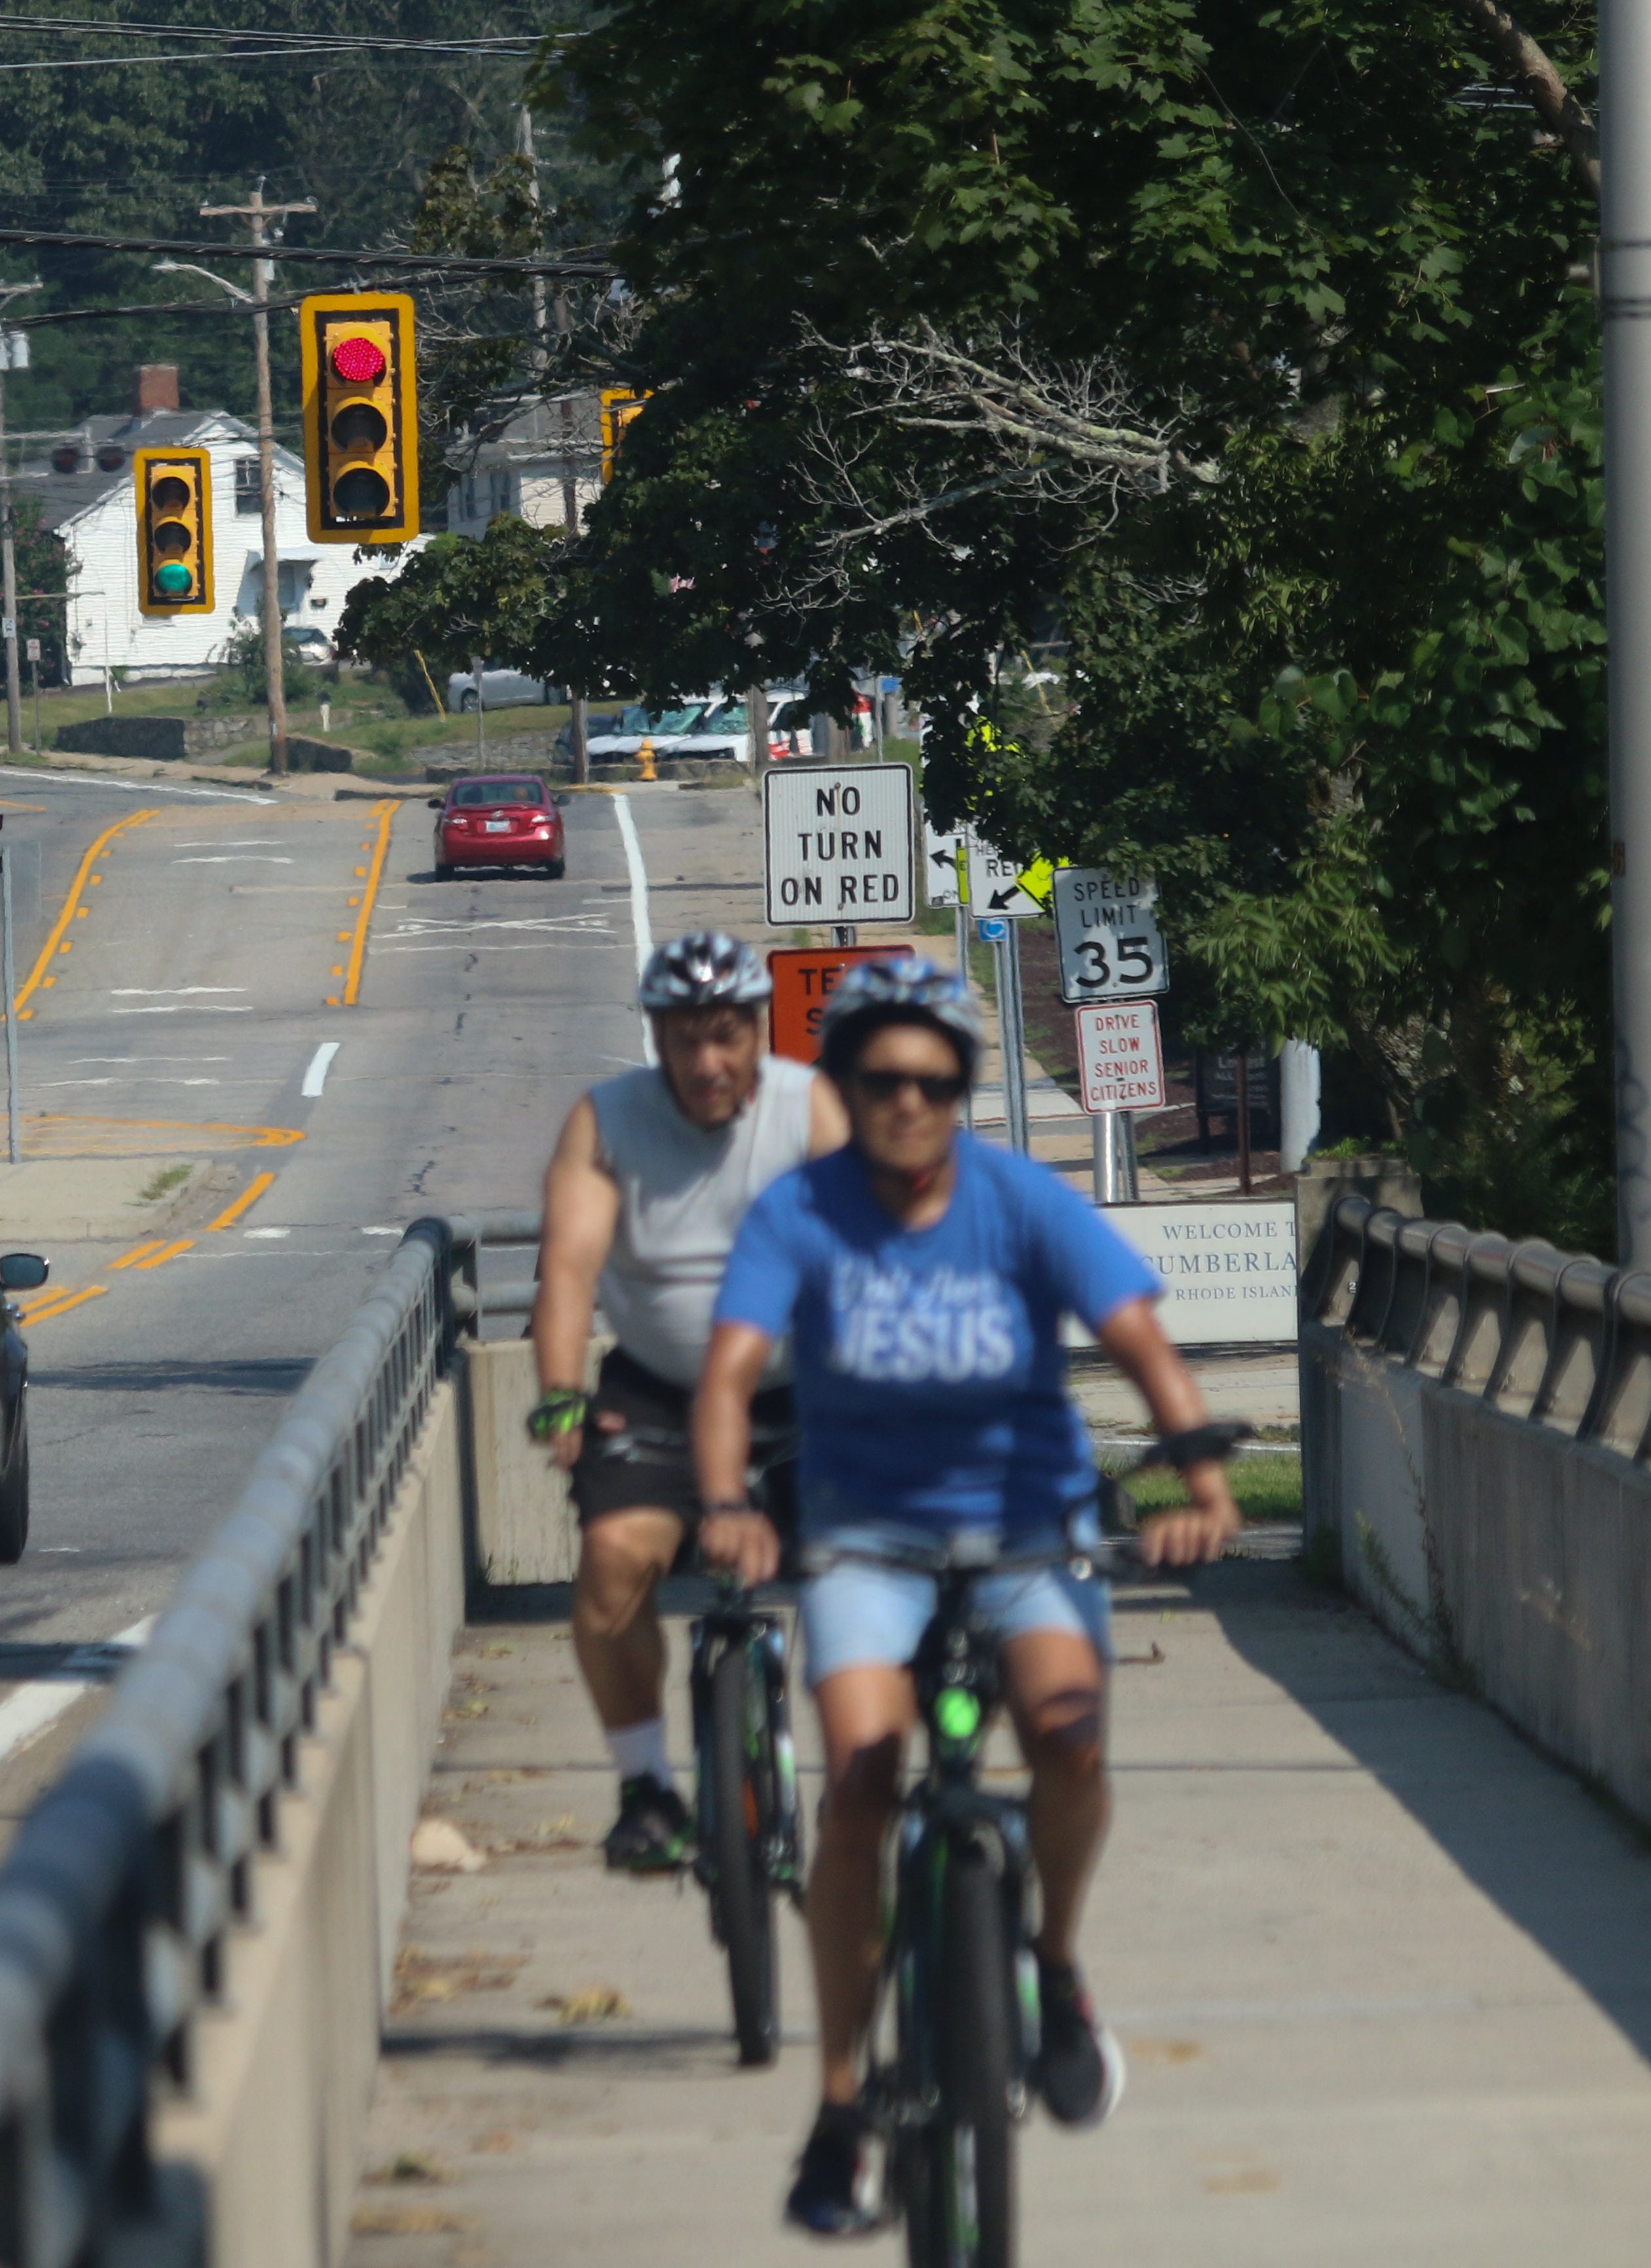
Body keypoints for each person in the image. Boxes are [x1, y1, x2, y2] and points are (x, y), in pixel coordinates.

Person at [685, 958, 1240, 2235]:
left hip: (1028, 1535)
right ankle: (838, 2105)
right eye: (880, 1080)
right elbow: (727, 1379)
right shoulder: (801, 1214)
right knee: (864, 1779)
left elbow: (1140, 1339)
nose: (908, 1105)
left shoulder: (1018, 1203)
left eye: (934, 1084)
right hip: (862, 1543)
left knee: (1068, 1739)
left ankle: (1054, 1968)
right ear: (848, 1087)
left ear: (960, 1092)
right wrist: (726, 1504)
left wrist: (1199, 1471)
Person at [527, 931, 848, 1871]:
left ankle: (872, 1779)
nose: (706, 1063)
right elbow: (569, 1268)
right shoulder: (608, 1119)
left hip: (802, 1396)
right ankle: (646, 1789)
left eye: (724, 1036)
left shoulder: (808, 1108)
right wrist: (559, 1397)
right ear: (655, 1040)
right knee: (614, 1565)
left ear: (758, 1029)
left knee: (875, 1570)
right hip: (660, 1391)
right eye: (682, 1039)